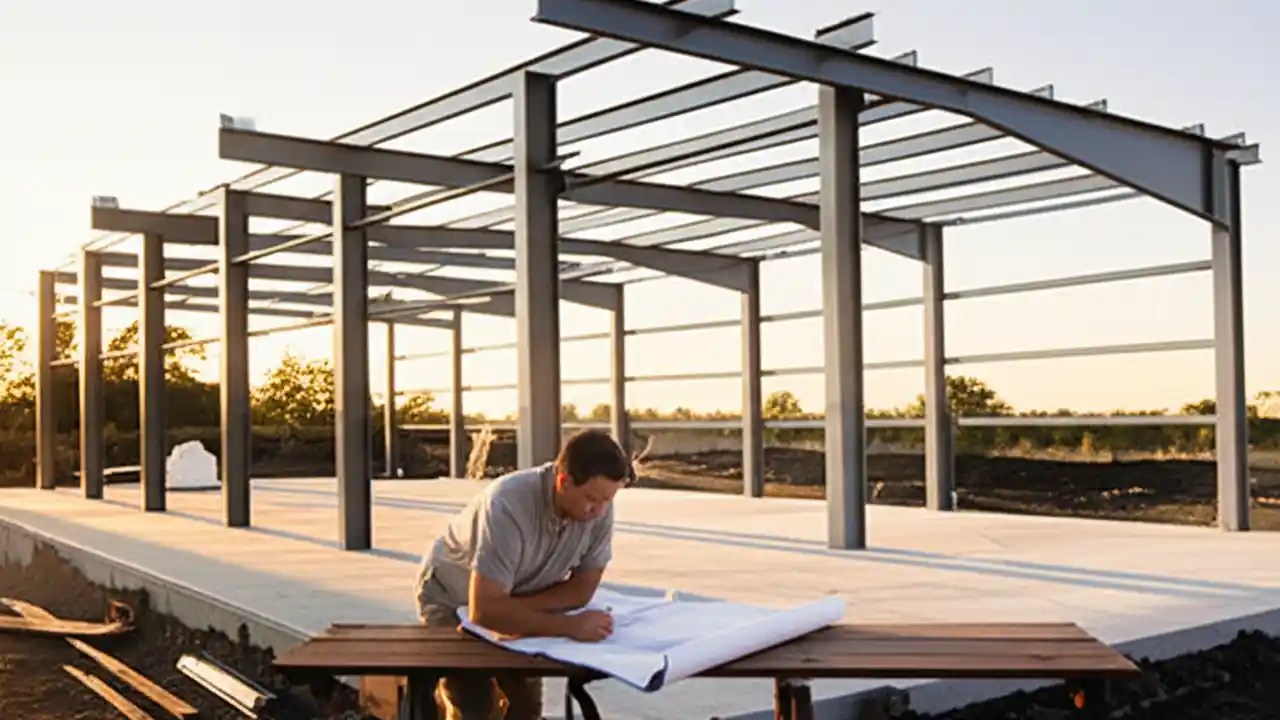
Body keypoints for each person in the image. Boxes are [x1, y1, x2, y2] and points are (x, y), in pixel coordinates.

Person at [412, 429, 633, 720]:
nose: (600, 510)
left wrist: (510, 611)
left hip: (515, 594)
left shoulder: (600, 507)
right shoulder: (508, 504)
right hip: (451, 597)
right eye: (592, 499)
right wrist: (569, 626)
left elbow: (582, 589)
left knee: (526, 704)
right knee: (474, 705)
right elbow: (483, 612)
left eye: (608, 499)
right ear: (563, 481)